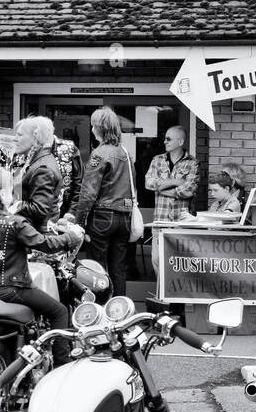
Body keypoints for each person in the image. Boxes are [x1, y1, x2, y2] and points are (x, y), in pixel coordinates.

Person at [0, 166, 84, 367]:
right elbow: (46, 244)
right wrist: (70, 238)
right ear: (2, 193)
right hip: (11, 289)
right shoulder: (14, 223)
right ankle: (62, 367)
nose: (12, 195)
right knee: (60, 312)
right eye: (11, 191)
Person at [70, 107, 136, 298]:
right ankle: (119, 310)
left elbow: (88, 192)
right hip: (124, 217)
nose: (91, 130)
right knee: (119, 269)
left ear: (99, 128)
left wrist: (79, 222)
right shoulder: (125, 153)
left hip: (102, 217)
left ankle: (99, 312)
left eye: (93, 126)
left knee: (97, 270)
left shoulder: (99, 153)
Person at [144, 125, 199, 276]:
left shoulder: (192, 163)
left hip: (181, 223)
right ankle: (162, 296)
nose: (164, 142)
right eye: (165, 138)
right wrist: (175, 182)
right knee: (157, 259)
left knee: (179, 262)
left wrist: (163, 187)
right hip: (160, 220)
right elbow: (148, 183)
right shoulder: (157, 160)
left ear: (180, 141)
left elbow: (189, 189)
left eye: (169, 139)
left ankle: (176, 297)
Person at [9, 115, 62, 229]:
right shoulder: (32, 162)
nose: (15, 139)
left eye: (20, 135)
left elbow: (39, 210)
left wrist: (10, 200)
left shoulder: (43, 168)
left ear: (35, 138)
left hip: (39, 236)